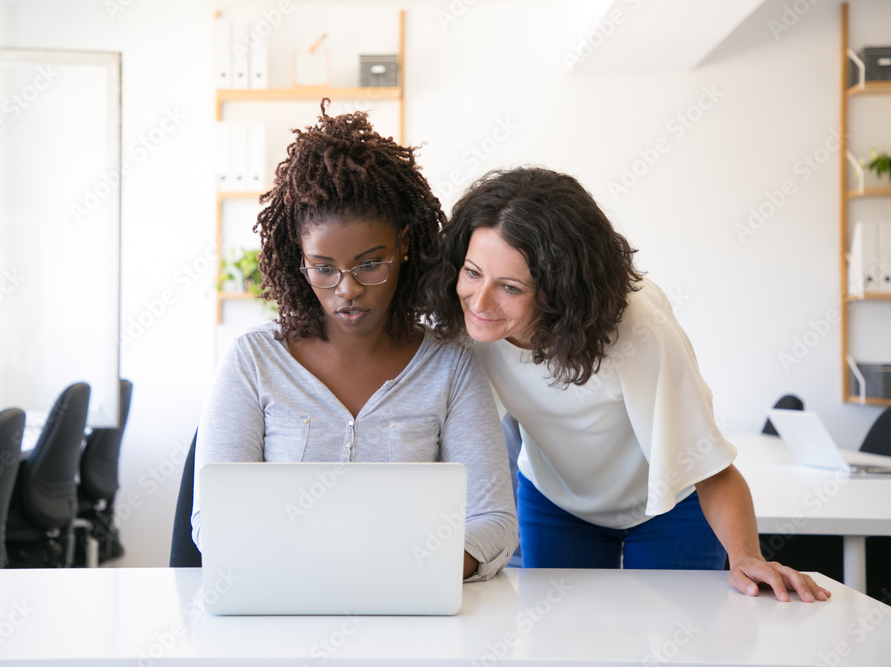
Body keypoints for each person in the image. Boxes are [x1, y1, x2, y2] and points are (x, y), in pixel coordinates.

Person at [422, 166, 830, 601]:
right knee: (563, 639)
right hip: (556, 499)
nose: (480, 302)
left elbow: (710, 467)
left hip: (670, 505)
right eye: (472, 272)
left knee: (682, 637)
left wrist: (747, 556)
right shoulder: (464, 324)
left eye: (510, 287)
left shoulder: (637, 327)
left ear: (560, 289)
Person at [191, 102, 518, 581]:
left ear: (404, 246)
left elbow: (493, 523)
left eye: (370, 263)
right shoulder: (252, 361)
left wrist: (407, 570)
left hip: (409, 611)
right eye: (323, 268)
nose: (347, 289)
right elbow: (214, 521)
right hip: (283, 613)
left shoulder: (451, 366)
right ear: (298, 258)